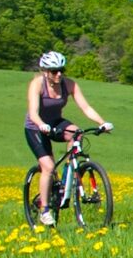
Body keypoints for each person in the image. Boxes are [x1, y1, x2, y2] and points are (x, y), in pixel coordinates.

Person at [26, 51, 112, 225]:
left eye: (61, 70)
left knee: (78, 133)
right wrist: (42, 125)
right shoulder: (37, 84)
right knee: (48, 167)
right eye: (54, 71)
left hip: (56, 122)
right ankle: (44, 210)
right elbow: (33, 113)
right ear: (45, 71)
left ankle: (68, 175)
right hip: (36, 127)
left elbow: (86, 108)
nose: (59, 74)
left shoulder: (69, 84)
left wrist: (102, 123)